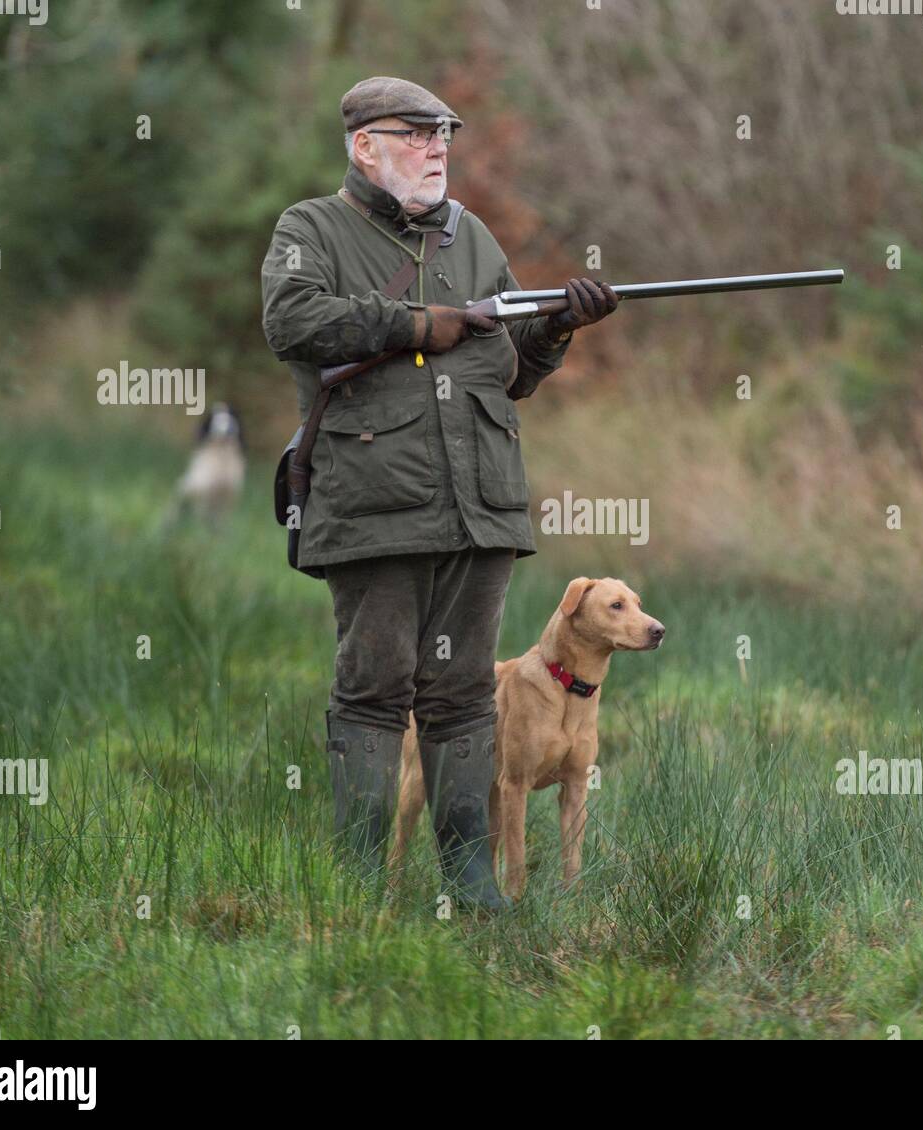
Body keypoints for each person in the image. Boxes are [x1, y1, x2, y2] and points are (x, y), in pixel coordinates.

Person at [260, 77, 618, 910]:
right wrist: (421, 324)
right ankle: (353, 892)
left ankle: (470, 885)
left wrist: (558, 325)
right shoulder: (311, 228)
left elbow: (514, 373)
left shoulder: (473, 237)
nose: (436, 148)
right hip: (377, 503)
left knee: (461, 698)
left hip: (481, 507)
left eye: (444, 133)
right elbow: (293, 321)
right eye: (416, 134)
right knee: (374, 688)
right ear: (364, 145)